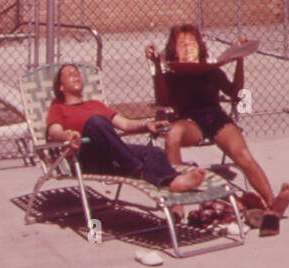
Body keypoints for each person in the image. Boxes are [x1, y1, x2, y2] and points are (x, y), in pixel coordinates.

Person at [145, 25, 289, 236]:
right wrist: (157, 65)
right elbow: (163, 100)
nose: (187, 48)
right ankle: (177, 205)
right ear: (173, 50)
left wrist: (239, 60)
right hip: (189, 122)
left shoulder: (211, 71)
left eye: (192, 43)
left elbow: (234, 93)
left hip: (215, 117)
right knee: (173, 134)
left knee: (242, 155)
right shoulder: (172, 75)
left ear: (200, 47)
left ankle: (271, 205)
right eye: (182, 44)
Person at [46, 63, 205, 193]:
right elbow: (53, 131)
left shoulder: (95, 104)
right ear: (60, 87)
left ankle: (172, 181)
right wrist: (65, 135)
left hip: (114, 156)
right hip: (86, 158)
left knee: (154, 152)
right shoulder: (58, 107)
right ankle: (138, 169)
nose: (75, 75)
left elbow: (126, 125)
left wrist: (146, 124)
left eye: (77, 73)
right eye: (69, 73)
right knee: (96, 122)